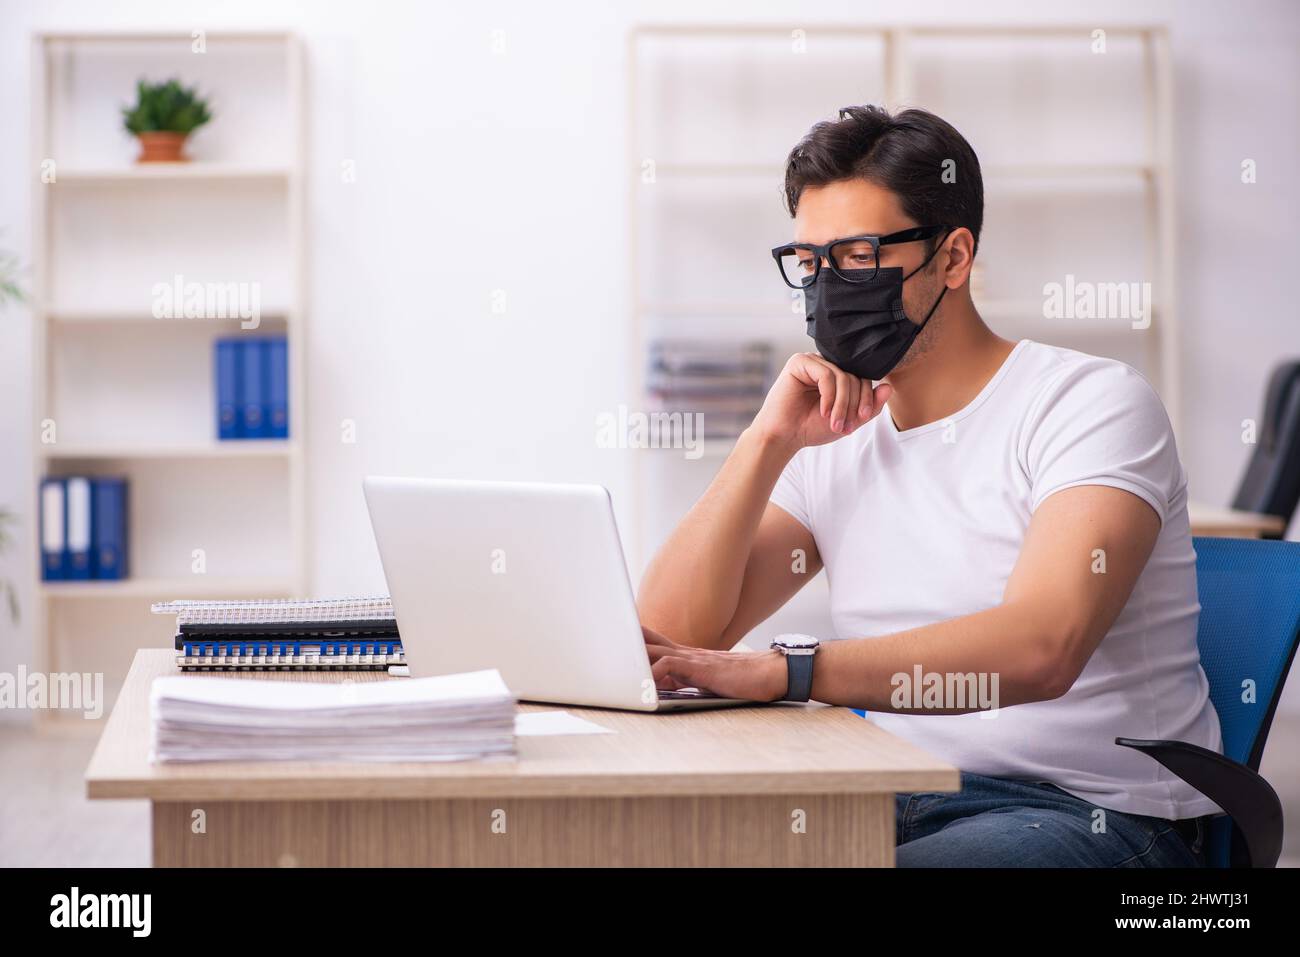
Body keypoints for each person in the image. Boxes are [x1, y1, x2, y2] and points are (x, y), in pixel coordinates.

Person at [636, 105, 1221, 867]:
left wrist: (794, 670)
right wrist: (763, 444)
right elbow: (668, 637)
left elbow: (1045, 644)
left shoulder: (1088, 403)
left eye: (858, 254)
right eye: (811, 263)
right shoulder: (831, 438)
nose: (829, 285)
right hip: (887, 788)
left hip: (1094, 814)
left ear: (953, 256)